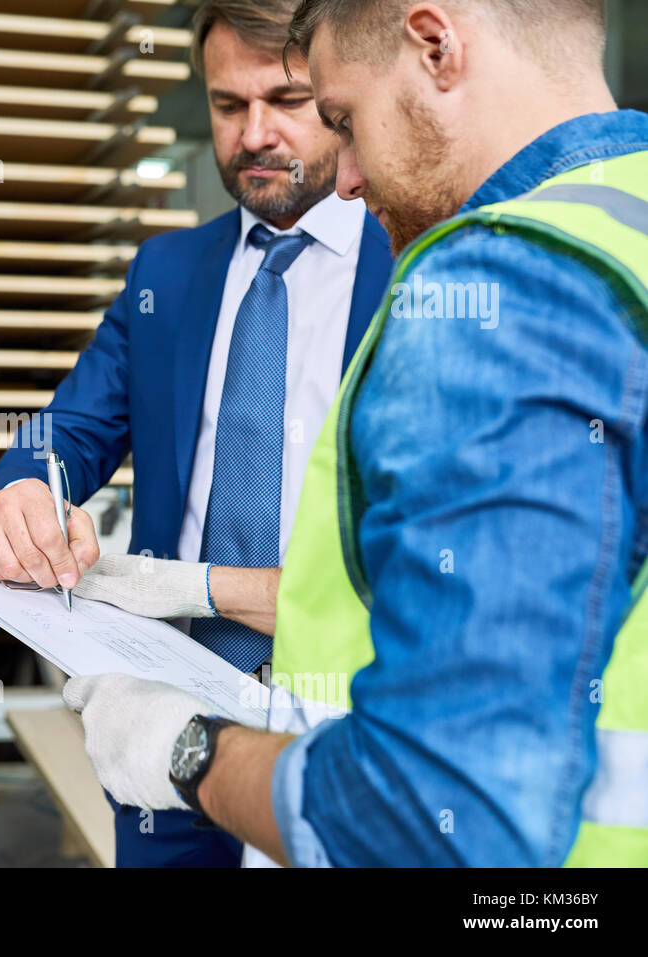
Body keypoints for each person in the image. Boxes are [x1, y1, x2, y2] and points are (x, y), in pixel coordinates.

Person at [66, 0, 648, 866]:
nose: (343, 178)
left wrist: (187, 752)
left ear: (435, 45)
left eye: (340, 118)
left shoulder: (495, 291)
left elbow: (429, 813)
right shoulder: (622, 223)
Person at [0, 0, 392, 867]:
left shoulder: (414, 265)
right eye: (228, 106)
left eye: (286, 99)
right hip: (164, 732)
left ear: (342, 99)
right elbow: (71, 427)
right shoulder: (169, 273)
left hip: (346, 732)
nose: (255, 134)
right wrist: (24, 488)